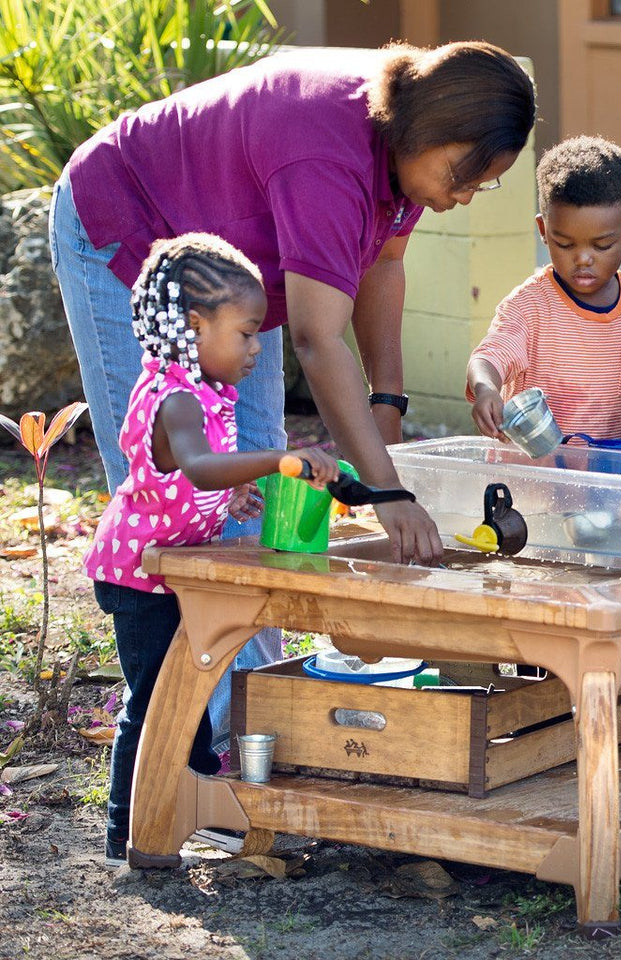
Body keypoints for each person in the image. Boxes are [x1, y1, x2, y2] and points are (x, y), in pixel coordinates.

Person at [50, 40, 536, 753]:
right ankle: (178, 757)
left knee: (257, 496)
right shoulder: (327, 155)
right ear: (428, 128)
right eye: (464, 175)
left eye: (481, 184)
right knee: (172, 509)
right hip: (129, 232)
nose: (463, 196)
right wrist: (386, 489)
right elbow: (316, 338)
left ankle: (255, 735)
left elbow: (385, 265)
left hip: (234, 281)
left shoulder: (406, 150)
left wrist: (387, 407)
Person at [87, 234, 340, 868]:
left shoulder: (202, 390)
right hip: (137, 575)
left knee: (188, 691)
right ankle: (131, 831)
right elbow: (198, 466)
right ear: (194, 326)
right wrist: (281, 460)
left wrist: (230, 502)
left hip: (171, 570)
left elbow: (193, 483)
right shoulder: (175, 398)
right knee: (154, 700)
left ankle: (192, 806)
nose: (258, 348)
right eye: (247, 333)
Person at [466, 135, 621, 441]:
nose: (583, 259)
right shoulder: (529, 307)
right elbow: (489, 356)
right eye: (565, 243)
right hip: (539, 478)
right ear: (543, 231)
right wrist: (486, 389)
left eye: (602, 245)